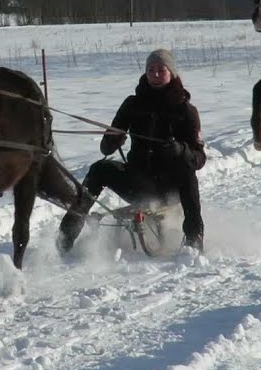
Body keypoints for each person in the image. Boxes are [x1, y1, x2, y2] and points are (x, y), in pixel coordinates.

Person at [57, 49, 207, 253]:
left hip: (171, 187)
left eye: (161, 70)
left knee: (187, 172)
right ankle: (67, 234)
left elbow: (199, 159)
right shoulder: (132, 104)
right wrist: (113, 139)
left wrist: (180, 150)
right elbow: (105, 148)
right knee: (99, 169)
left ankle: (194, 238)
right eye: (150, 70)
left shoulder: (186, 111)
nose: (155, 75)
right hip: (139, 182)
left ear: (171, 73)